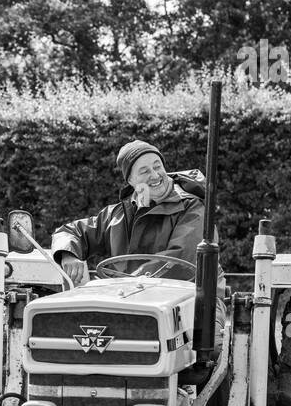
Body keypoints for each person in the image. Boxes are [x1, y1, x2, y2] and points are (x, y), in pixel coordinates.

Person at [52, 140, 225, 335]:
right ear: (131, 181)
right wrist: (68, 254)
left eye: (157, 166)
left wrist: (127, 287)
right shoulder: (117, 214)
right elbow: (70, 231)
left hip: (193, 300)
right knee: (75, 333)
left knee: (207, 348)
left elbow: (181, 261)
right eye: (144, 171)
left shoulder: (193, 207)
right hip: (125, 300)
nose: (154, 175)